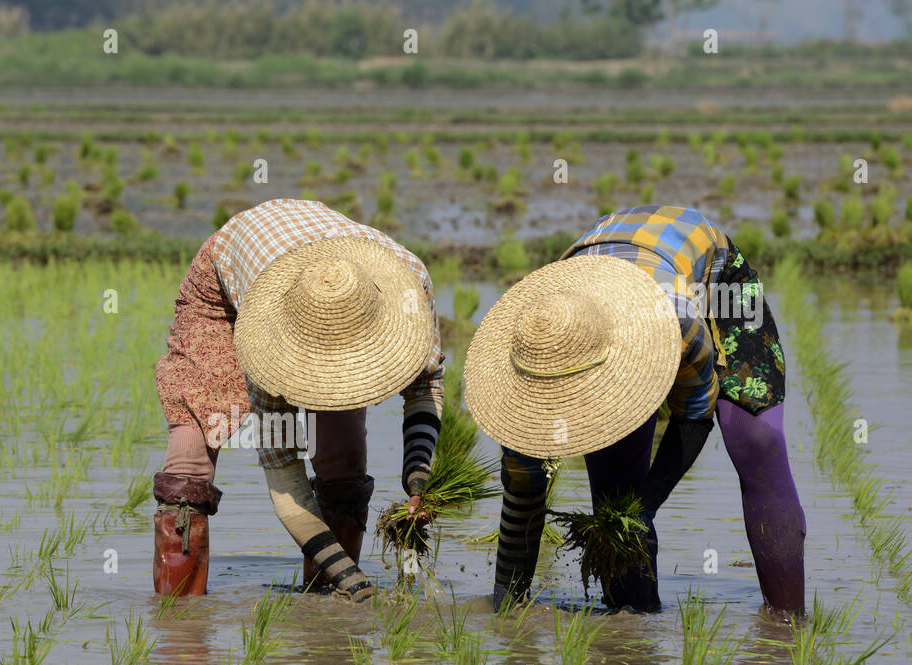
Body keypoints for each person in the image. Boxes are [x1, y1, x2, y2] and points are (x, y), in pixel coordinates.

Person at [464, 204, 806, 616]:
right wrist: (506, 604)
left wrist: (647, 506)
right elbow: (522, 493)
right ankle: (633, 625)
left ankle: (787, 626)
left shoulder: (677, 320)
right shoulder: (527, 366)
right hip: (595, 285)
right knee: (616, 489)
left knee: (756, 439)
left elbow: (694, 415)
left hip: (710, 279)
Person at [152, 198, 443, 599]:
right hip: (235, 274)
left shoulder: (410, 285)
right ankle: (179, 618)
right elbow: (284, 477)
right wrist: (356, 584)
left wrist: (418, 481)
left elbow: (426, 388)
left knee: (344, 456)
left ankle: (326, 606)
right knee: (194, 448)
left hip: (326, 269)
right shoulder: (267, 337)